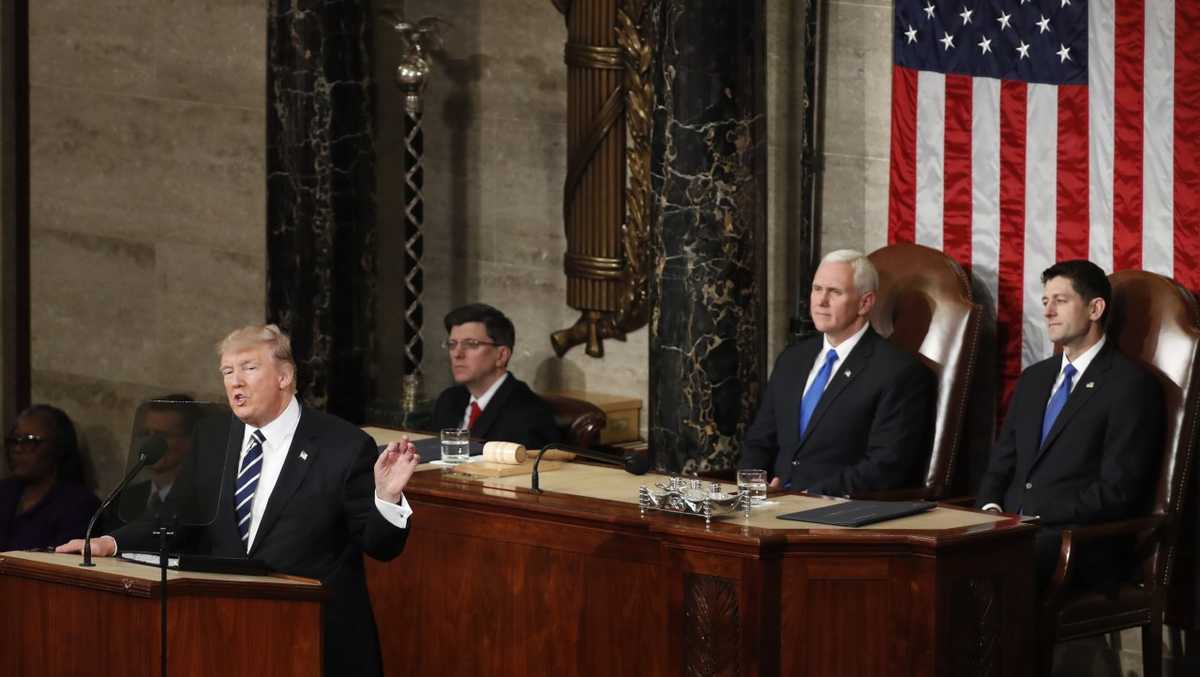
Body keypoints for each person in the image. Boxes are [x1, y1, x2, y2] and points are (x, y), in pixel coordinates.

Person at [58, 324, 420, 677]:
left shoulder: (341, 444)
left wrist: (386, 497)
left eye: (249, 368)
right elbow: (176, 518)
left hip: (314, 640)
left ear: (284, 376)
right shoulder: (214, 437)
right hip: (227, 634)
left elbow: (380, 545)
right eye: (227, 371)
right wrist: (111, 542)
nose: (235, 381)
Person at [975, 260, 1163, 587]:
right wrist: (991, 508)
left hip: (1078, 542)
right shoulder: (1034, 379)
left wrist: (1030, 513)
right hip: (1014, 532)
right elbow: (1002, 462)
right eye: (1045, 301)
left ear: (1095, 308)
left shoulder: (1129, 384)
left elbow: (1117, 492)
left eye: (1060, 301)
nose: (1048, 311)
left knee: (982, 570)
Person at [740, 249, 936, 496]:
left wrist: (805, 497)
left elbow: (886, 465)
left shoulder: (898, 372)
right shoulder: (792, 359)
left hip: (836, 514)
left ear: (865, 302)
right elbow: (760, 441)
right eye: (817, 289)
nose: (820, 301)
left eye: (834, 292)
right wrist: (752, 489)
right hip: (769, 506)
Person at [431, 303, 562, 449]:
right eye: (452, 344)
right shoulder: (448, 400)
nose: (457, 354)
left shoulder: (529, 413)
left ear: (501, 355)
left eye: (471, 344)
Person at [0, 405, 100, 551]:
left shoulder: (79, 506)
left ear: (57, 446)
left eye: (30, 441)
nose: (17, 449)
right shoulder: (4, 492)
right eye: (14, 440)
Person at [114, 395, 198, 524]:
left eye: (162, 435)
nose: (151, 443)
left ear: (190, 440)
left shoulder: (202, 504)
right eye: (147, 433)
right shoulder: (125, 499)